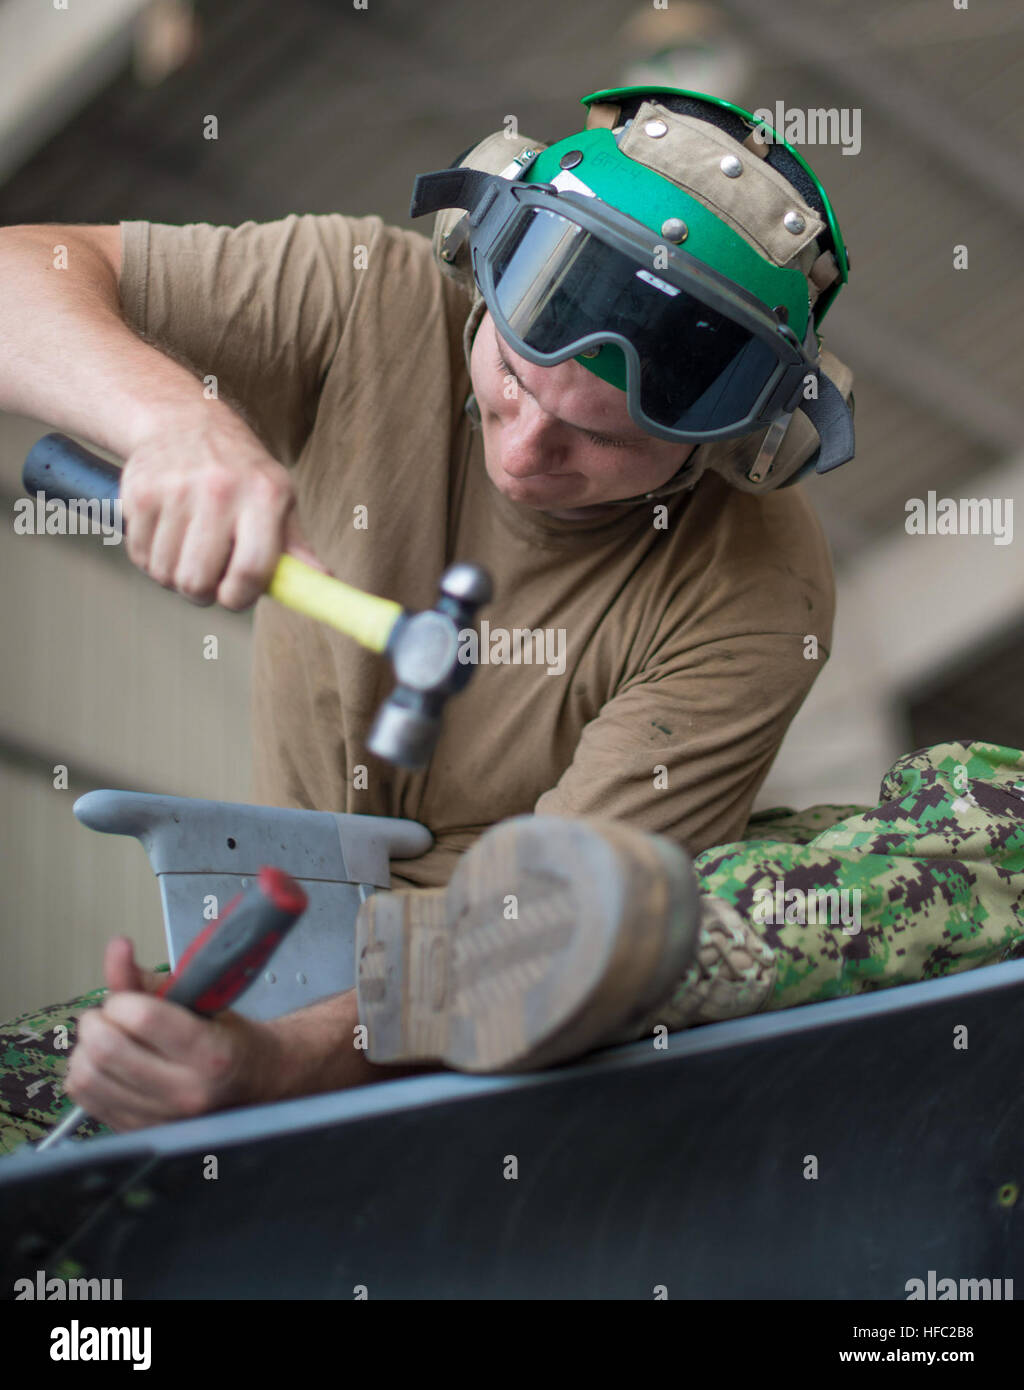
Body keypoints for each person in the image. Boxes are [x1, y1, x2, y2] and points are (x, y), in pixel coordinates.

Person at [1, 87, 1021, 1154]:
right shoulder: (373, 304)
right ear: (473, 261)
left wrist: (281, 1067)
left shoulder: (755, 581)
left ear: (735, 447)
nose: (527, 453)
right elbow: (19, 276)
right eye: (511, 384)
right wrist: (176, 425)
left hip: (515, 1005)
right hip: (284, 940)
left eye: (601, 439)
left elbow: (557, 941)